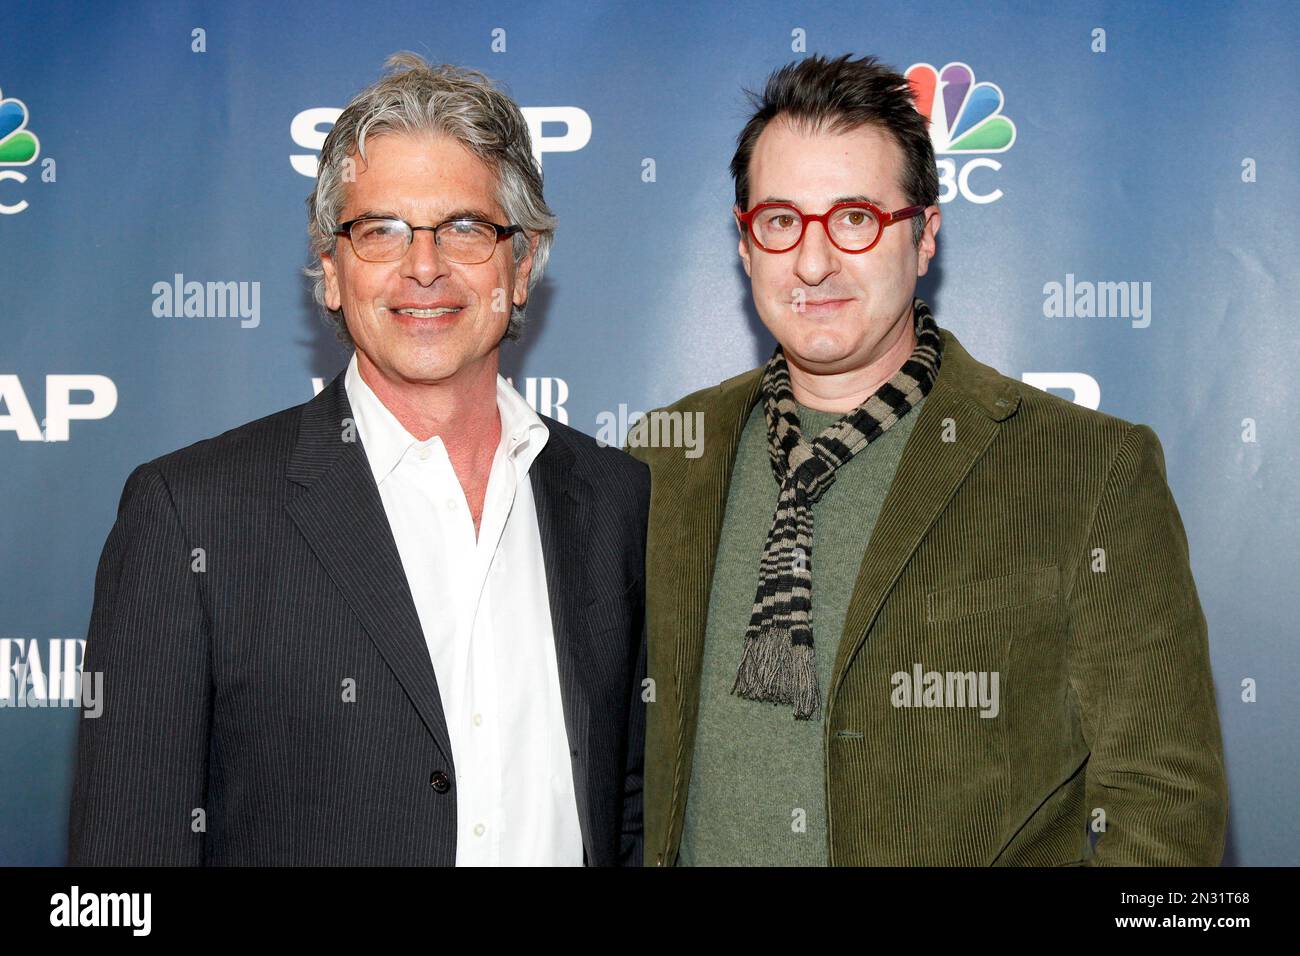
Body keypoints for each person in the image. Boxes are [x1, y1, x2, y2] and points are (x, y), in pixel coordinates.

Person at [628, 53, 1227, 866]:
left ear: (924, 236)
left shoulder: (1088, 472)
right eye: (780, 220)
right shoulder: (664, 458)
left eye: (855, 218)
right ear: (745, 246)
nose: (813, 262)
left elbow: (1164, 808)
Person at [68, 53, 648, 866]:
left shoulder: (618, 500)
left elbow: (628, 818)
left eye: (466, 228)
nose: (423, 265)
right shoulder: (189, 514)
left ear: (521, 267)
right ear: (332, 272)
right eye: (379, 231)